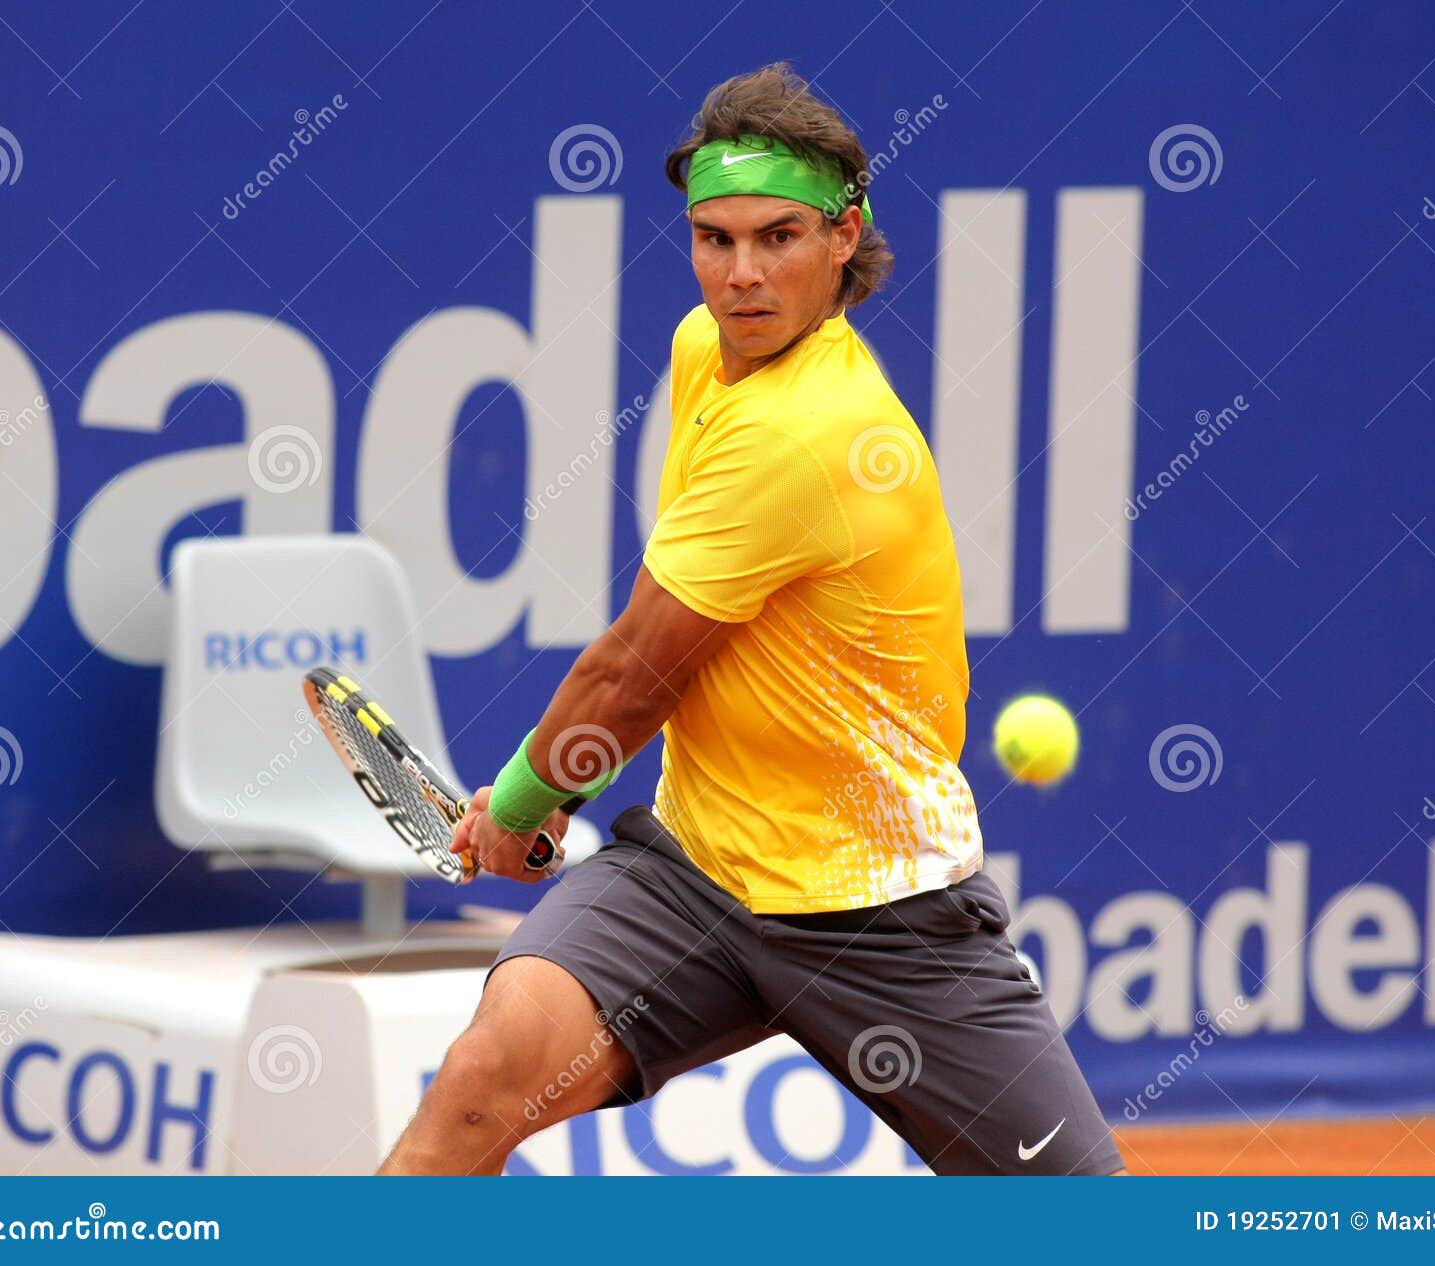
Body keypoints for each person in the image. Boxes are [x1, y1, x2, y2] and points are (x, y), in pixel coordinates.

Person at [379, 62, 1125, 1177]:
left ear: (844, 237)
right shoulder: (699, 354)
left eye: (778, 237)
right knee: (481, 1085)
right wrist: (545, 797)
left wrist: (526, 803)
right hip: (695, 877)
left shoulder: (808, 432)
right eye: (713, 239)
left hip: (881, 912)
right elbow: (689, 656)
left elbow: (635, 670)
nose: (741, 275)